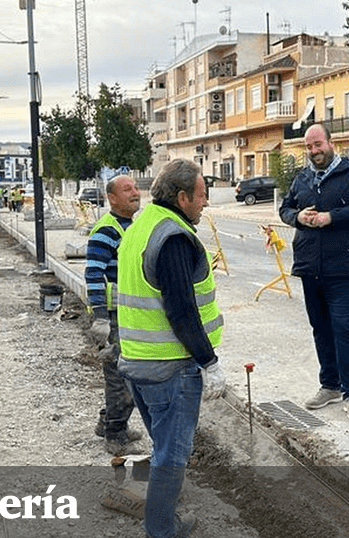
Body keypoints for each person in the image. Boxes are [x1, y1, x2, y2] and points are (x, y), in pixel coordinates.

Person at [117, 159, 226, 538]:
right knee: (171, 456)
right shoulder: (173, 237)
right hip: (170, 370)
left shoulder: (139, 227)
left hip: (137, 365)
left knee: (164, 448)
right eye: (201, 195)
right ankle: (163, 531)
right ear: (182, 197)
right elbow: (182, 310)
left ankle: (166, 522)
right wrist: (209, 361)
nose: (205, 203)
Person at [279, 123, 349, 421]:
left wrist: (330, 217)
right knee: (320, 328)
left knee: (344, 329)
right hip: (310, 266)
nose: (313, 151)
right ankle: (330, 385)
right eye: (309, 147)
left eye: (318, 145)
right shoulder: (303, 177)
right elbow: (284, 209)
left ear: (330, 142)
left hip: (344, 267)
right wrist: (298, 217)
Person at [86, 174, 144, 454]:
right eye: (127, 189)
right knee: (120, 374)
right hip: (113, 316)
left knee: (126, 372)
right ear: (112, 198)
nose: (135, 193)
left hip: (128, 313)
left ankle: (108, 421)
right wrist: (99, 316)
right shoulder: (106, 230)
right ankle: (115, 435)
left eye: (135, 188)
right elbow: (93, 273)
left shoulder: (130, 226)